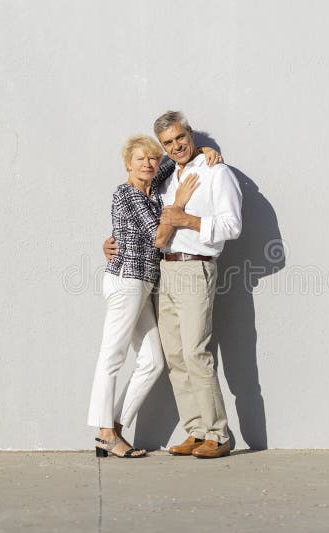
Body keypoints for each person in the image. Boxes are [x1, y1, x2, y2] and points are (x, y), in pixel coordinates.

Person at [104, 111, 242, 459]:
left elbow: (232, 225)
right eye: (168, 143)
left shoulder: (215, 172)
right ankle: (196, 431)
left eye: (180, 138)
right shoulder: (165, 178)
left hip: (196, 270)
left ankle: (218, 434)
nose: (176, 146)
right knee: (176, 356)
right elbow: (144, 221)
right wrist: (112, 241)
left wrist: (187, 219)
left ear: (190, 134)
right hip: (164, 272)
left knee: (196, 351)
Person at [88, 134, 203, 458]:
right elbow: (157, 234)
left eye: (152, 159)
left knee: (152, 361)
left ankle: (113, 428)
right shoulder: (127, 194)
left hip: (142, 284)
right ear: (128, 164)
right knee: (112, 356)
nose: (149, 163)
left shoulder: (149, 189)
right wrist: (178, 204)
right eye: (140, 159)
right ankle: (105, 431)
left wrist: (202, 149)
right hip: (127, 281)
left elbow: (172, 161)